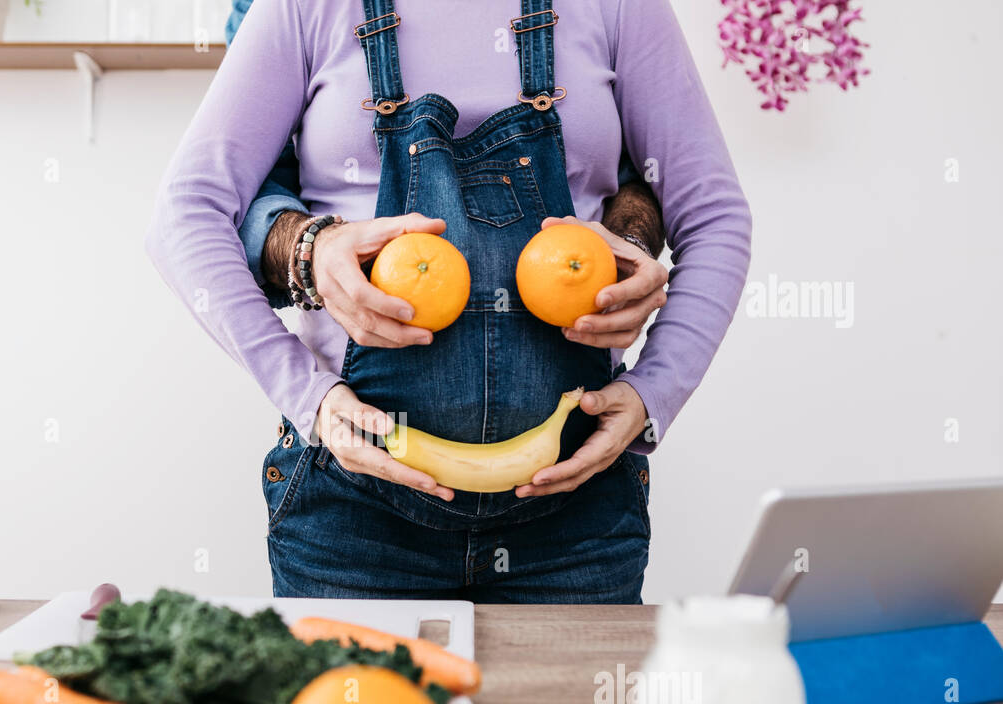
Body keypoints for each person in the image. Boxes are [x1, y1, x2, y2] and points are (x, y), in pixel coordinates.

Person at [148, 0, 752, 602]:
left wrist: (654, 392)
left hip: (578, 522)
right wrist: (307, 395)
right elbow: (187, 211)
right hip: (352, 523)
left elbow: (714, 214)